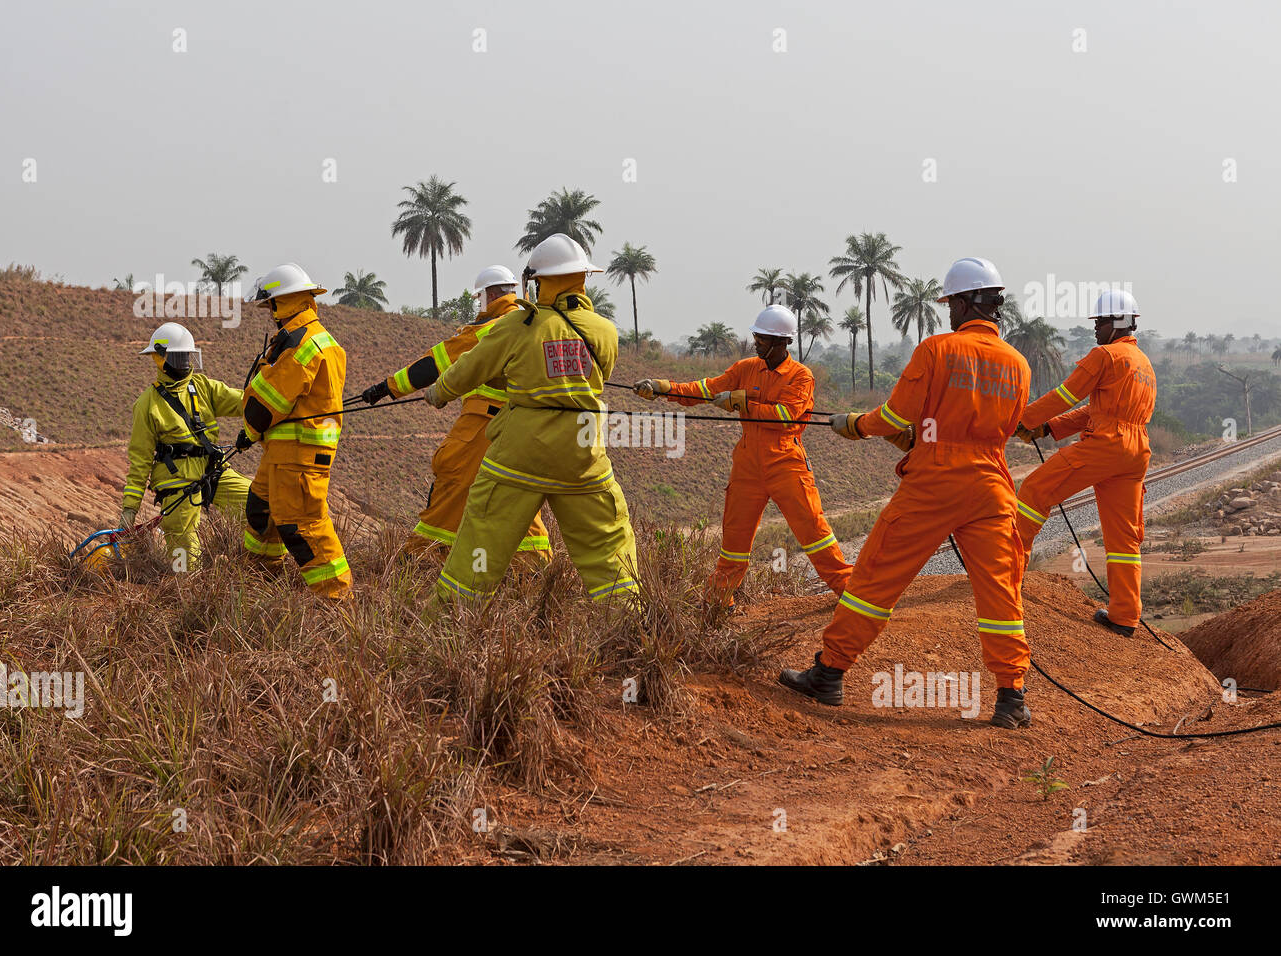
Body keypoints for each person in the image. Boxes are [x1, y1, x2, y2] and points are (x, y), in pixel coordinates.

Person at [778, 257, 1034, 729]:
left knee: (874, 580)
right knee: (1001, 590)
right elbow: (1003, 426)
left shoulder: (937, 350)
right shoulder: (1018, 364)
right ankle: (1011, 697)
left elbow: (895, 419)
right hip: (992, 487)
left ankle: (829, 673)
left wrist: (854, 426)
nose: (948, 312)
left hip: (936, 482)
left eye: (950, 304)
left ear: (961, 302)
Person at [424, 234, 637, 605]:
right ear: (583, 278)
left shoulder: (518, 326)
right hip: (583, 454)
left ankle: (450, 623)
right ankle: (629, 624)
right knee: (608, 544)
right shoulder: (606, 331)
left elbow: (469, 369)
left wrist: (438, 392)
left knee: (482, 540)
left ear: (538, 282)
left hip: (520, 455)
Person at [633, 304, 863, 609]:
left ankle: (850, 594)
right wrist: (662, 388)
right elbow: (706, 389)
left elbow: (787, 416)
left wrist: (742, 402)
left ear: (783, 343)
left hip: (786, 462)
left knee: (814, 532)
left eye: (763, 339)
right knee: (734, 543)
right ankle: (717, 604)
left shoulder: (801, 377)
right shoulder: (745, 368)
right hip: (747, 465)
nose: (757, 343)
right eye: (757, 337)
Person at [359, 265, 551, 563]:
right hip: (527, 429)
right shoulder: (533, 324)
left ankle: (421, 555)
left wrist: (387, 387)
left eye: (481, 298)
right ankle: (534, 564)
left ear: (489, 294)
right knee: (516, 494)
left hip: (483, 429)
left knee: (452, 480)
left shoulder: (491, 328)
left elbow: (435, 364)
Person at [1014, 289, 1155, 637]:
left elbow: (1066, 395)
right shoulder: (1144, 365)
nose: (1096, 328)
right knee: (1123, 538)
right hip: (1136, 452)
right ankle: (1125, 616)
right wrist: (1048, 428)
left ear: (1118, 322)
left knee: (1034, 491)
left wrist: (1026, 419)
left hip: (1107, 445)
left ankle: (1005, 575)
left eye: (1102, 322)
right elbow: (1096, 410)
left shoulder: (1104, 355)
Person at [239, 263, 352, 600]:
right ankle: (261, 581)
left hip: (297, 458)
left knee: (302, 528)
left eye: (270, 306)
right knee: (260, 509)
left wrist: (251, 428)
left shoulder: (300, 345)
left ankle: (338, 603)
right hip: (284, 454)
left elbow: (265, 405)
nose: (269, 315)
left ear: (279, 303)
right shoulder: (317, 339)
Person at [121, 322, 251, 568]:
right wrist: (129, 509)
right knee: (185, 556)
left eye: (186, 356)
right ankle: (188, 597)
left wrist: (280, 400)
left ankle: (249, 567)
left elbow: (247, 402)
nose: (184, 362)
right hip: (175, 482)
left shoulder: (203, 387)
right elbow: (140, 461)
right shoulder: (146, 405)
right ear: (160, 359)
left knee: (259, 505)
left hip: (213, 471)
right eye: (178, 357)